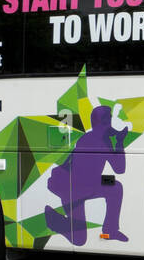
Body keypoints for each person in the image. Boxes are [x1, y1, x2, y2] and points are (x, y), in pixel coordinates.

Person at [44, 105, 129, 245]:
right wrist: (118, 140)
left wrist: (119, 142)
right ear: (100, 123)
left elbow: (119, 169)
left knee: (116, 186)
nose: (111, 122)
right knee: (79, 240)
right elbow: (80, 178)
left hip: (91, 183)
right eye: (108, 119)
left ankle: (110, 230)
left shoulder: (105, 140)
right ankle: (54, 220)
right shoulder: (89, 140)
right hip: (73, 189)